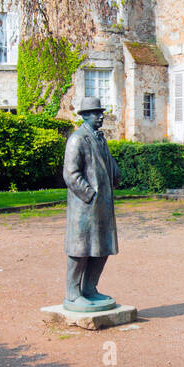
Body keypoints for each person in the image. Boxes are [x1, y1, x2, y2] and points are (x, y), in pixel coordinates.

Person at [62, 95, 122, 311]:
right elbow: (71, 174)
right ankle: (72, 293)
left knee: (102, 247)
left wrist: (116, 174)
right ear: (85, 116)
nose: (100, 116)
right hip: (85, 206)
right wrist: (90, 194)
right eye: (96, 113)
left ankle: (89, 288)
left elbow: (107, 164)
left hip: (103, 206)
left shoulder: (100, 138)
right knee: (80, 250)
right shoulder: (77, 139)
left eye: (101, 112)